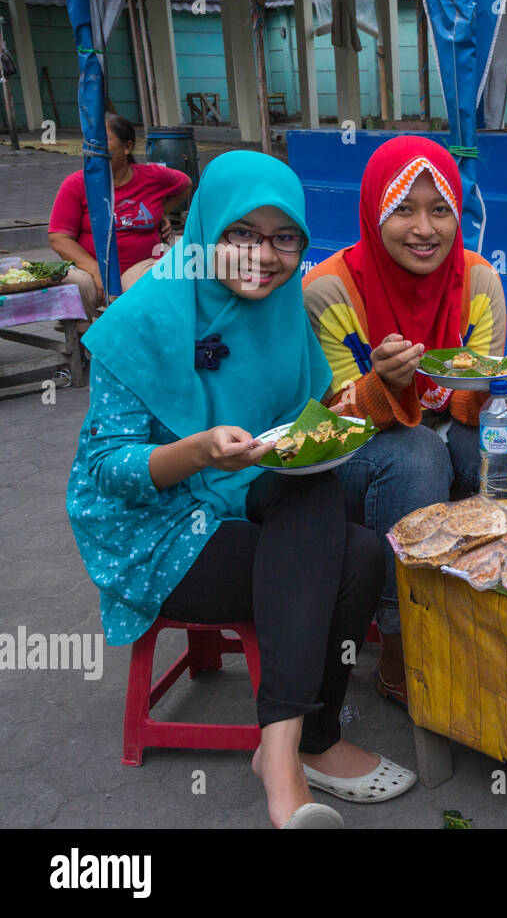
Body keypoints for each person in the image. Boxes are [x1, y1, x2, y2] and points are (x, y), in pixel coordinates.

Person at [67, 151, 414, 829]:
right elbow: (107, 469)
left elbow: (303, 422)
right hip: (157, 533)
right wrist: (194, 451)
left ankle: (292, 744)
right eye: (242, 234)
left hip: (245, 493)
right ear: (205, 231)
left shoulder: (285, 312)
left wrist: (382, 387)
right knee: (342, 557)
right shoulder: (144, 318)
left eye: (285, 238)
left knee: (352, 538)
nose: (265, 256)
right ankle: (289, 756)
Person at [303, 136, 507, 706]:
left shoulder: (478, 281)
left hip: (437, 425)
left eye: (440, 209)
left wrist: (501, 385)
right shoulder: (329, 291)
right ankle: (402, 638)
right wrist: (388, 385)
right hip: (353, 457)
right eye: (403, 209)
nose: (424, 228)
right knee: (417, 455)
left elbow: (469, 405)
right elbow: (333, 420)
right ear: (374, 211)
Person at [48, 113, 192, 327]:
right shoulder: (76, 184)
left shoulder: (152, 176)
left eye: (103, 139)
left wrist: (160, 212)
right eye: (90, 139)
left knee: (163, 279)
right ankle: (82, 343)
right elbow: (58, 238)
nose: (94, 145)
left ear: (127, 147)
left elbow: (185, 184)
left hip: (142, 266)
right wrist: (96, 271)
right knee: (73, 282)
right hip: (90, 271)